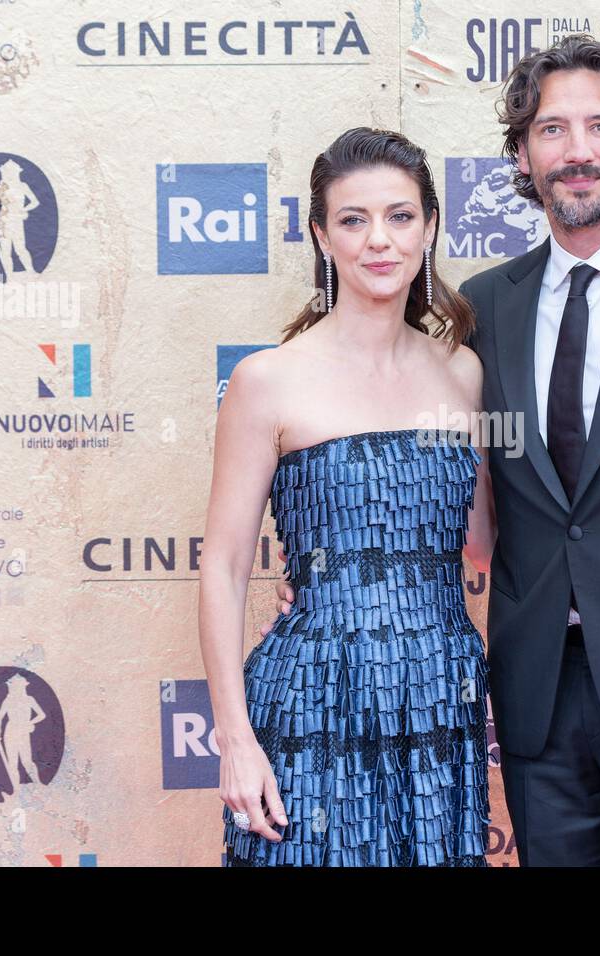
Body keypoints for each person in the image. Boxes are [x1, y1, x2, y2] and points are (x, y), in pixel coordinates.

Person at [270, 33, 600, 867]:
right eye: (551, 130)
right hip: (536, 706)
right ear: (522, 156)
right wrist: (332, 565)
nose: (578, 150)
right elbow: (445, 478)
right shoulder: (484, 310)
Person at [198, 127, 496, 866]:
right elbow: (226, 565)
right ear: (321, 237)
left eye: (400, 216)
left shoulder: (463, 375)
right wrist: (235, 742)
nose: (379, 241)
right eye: (353, 220)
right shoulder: (269, 379)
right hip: (312, 701)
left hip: (438, 703)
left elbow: (485, 543)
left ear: (429, 227)